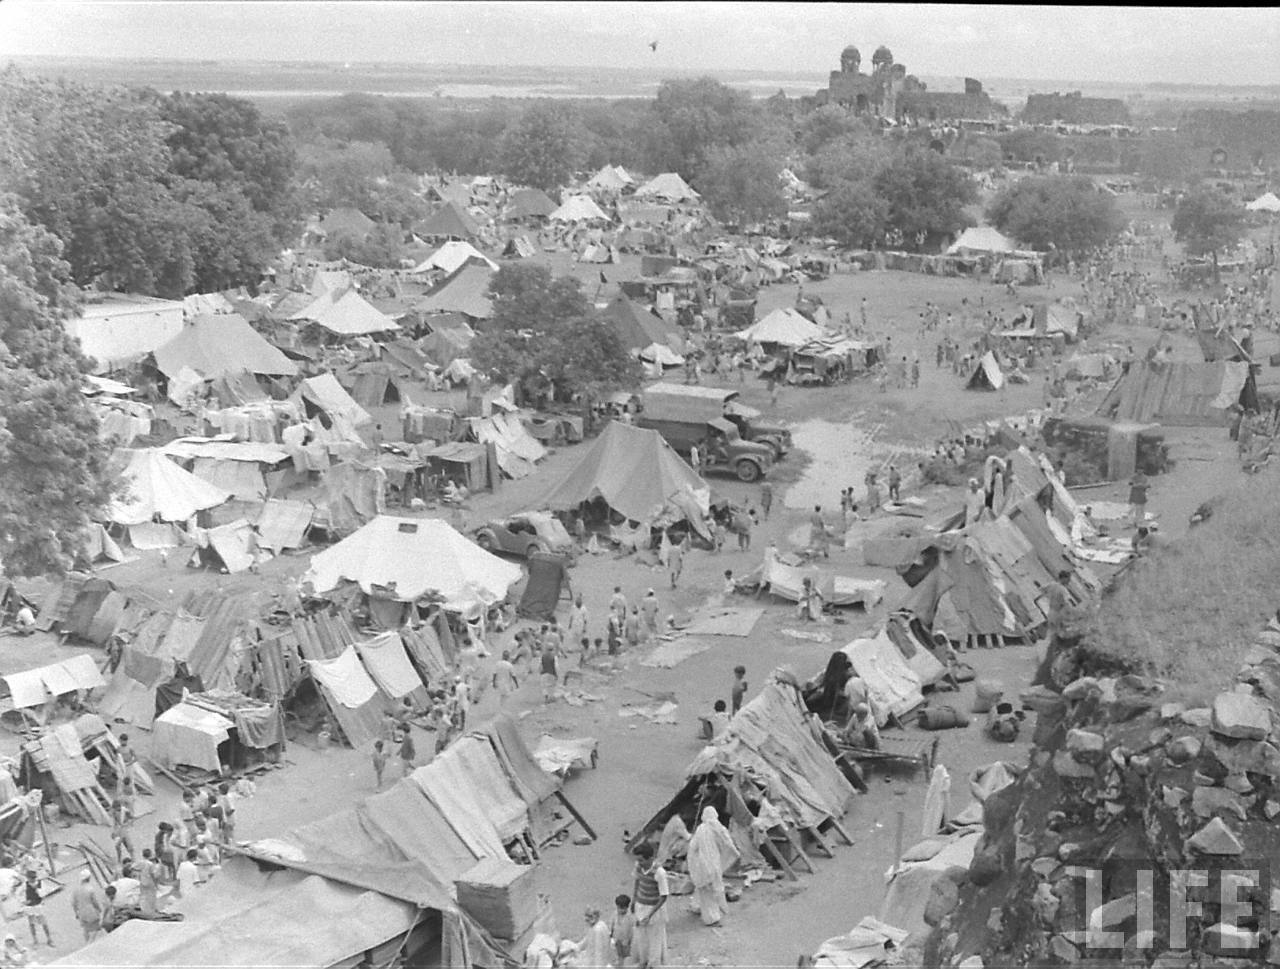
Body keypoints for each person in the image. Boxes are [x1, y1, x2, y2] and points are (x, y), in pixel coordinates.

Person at [687, 807, 739, 927]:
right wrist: (734, 854)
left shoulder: (701, 829)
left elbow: (693, 847)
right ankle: (707, 913)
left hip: (702, 864)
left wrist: (692, 860)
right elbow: (728, 844)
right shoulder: (720, 828)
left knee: (704, 889)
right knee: (712, 889)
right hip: (715, 863)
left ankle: (709, 916)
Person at [630, 844, 670, 969]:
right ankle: (643, 961)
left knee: (654, 938)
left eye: (641, 860)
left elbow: (663, 896)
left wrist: (650, 914)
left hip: (654, 909)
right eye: (638, 860)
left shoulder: (659, 873)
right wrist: (634, 899)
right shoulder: (638, 867)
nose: (639, 863)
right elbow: (637, 881)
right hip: (640, 906)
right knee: (641, 936)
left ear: (650, 858)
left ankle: (653, 964)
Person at [71, 871, 103, 943]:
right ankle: (90, 944)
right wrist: (99, 909)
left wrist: (76, 913)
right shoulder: (90, 889)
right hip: (91, 911)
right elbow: (94, 902)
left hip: (81, 912)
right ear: (89, 878)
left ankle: (87, 942)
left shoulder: (76, 890)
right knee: (95, 929)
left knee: (86, 929)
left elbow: (73, 903)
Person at [609, 894, 635, 968]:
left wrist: (631, 940)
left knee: (626, 956)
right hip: (616, 939)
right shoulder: (614, 914)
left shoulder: (630, 917)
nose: (621, 910)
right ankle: (619, 964)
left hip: (626, 940)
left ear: (627, 907)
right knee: (617, 954)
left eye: (623, 908)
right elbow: (611, 924)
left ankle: (622, 965)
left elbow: (632, 930)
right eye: (619, 908)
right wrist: (610, 934)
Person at [137, 850, 160, 916]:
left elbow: (132, 867)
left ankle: (144, 909)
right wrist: (155, 883)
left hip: (142, 881)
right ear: (150, 855)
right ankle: (152, 909)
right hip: (149, 881)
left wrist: (140, 873)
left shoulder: (140, 862)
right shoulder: (150, 864)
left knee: (143, 895)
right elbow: (152, 874)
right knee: (151, 896)